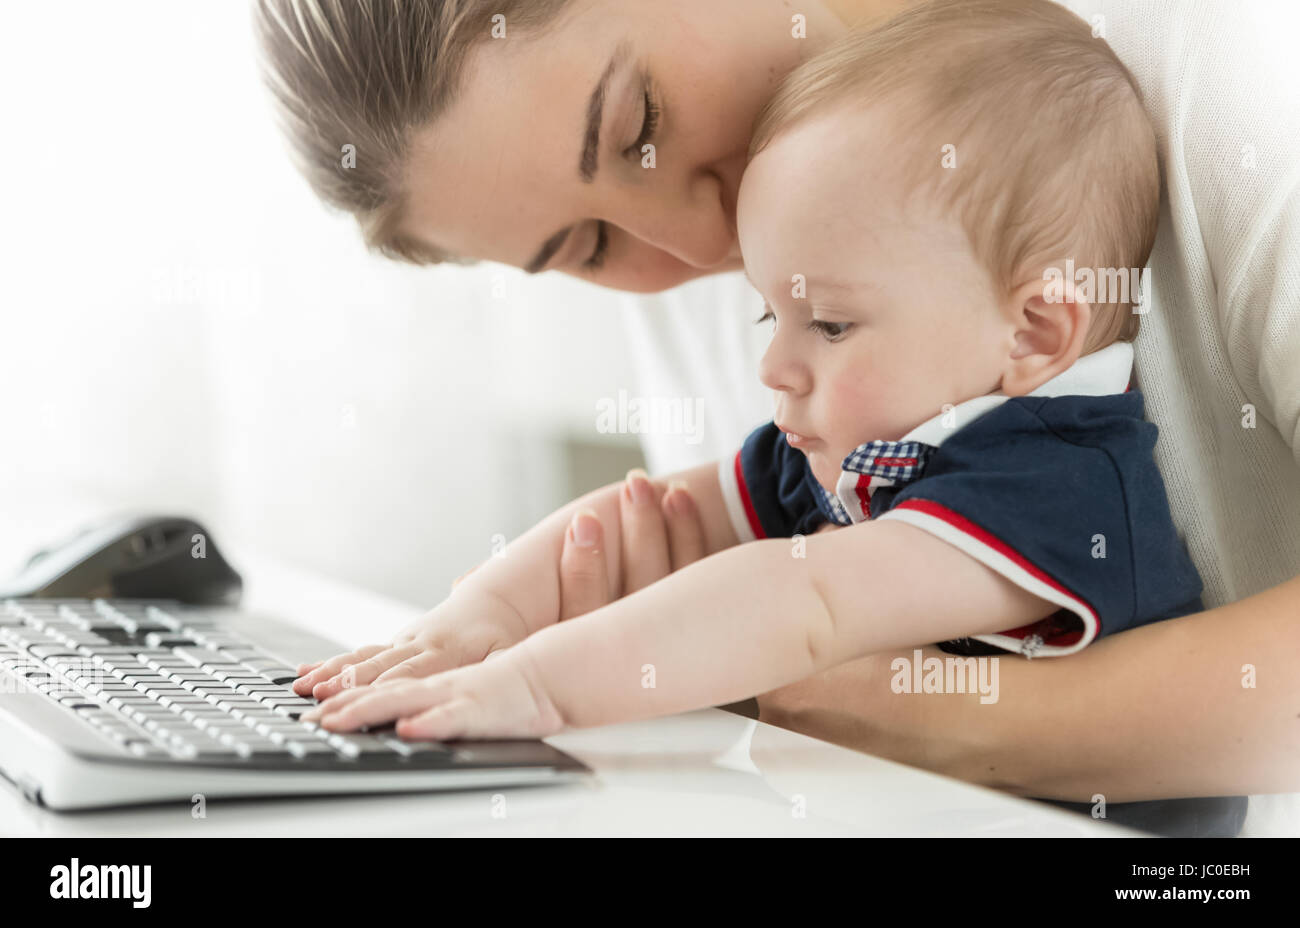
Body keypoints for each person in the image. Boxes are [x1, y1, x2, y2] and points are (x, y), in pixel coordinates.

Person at [257, 0, 1300, 835]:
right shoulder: (778, 318)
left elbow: (798, 608)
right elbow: (682, 514)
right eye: (581, 248)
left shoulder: (1231, 73)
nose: (693, 240)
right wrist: (480, 623)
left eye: (638, 128)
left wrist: (556, 683)